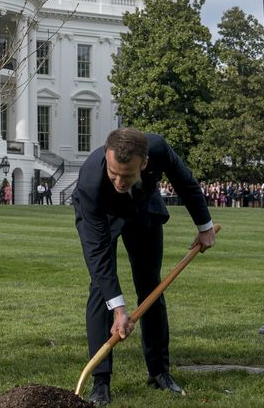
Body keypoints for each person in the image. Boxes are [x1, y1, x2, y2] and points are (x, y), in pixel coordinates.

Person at [72, 128, 216, 406]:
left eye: (126, 175)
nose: (119, 181)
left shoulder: (158, 148)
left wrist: (205, 226)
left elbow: (184, 181)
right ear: (107, 157)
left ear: (145, 163)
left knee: (151, 286)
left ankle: (159, 372)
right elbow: (97, 254)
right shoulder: (91, 180)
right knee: (101, 290)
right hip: (103, 214)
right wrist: (119, 309)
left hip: (143, 209)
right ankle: (100, 382)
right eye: (114, 173)